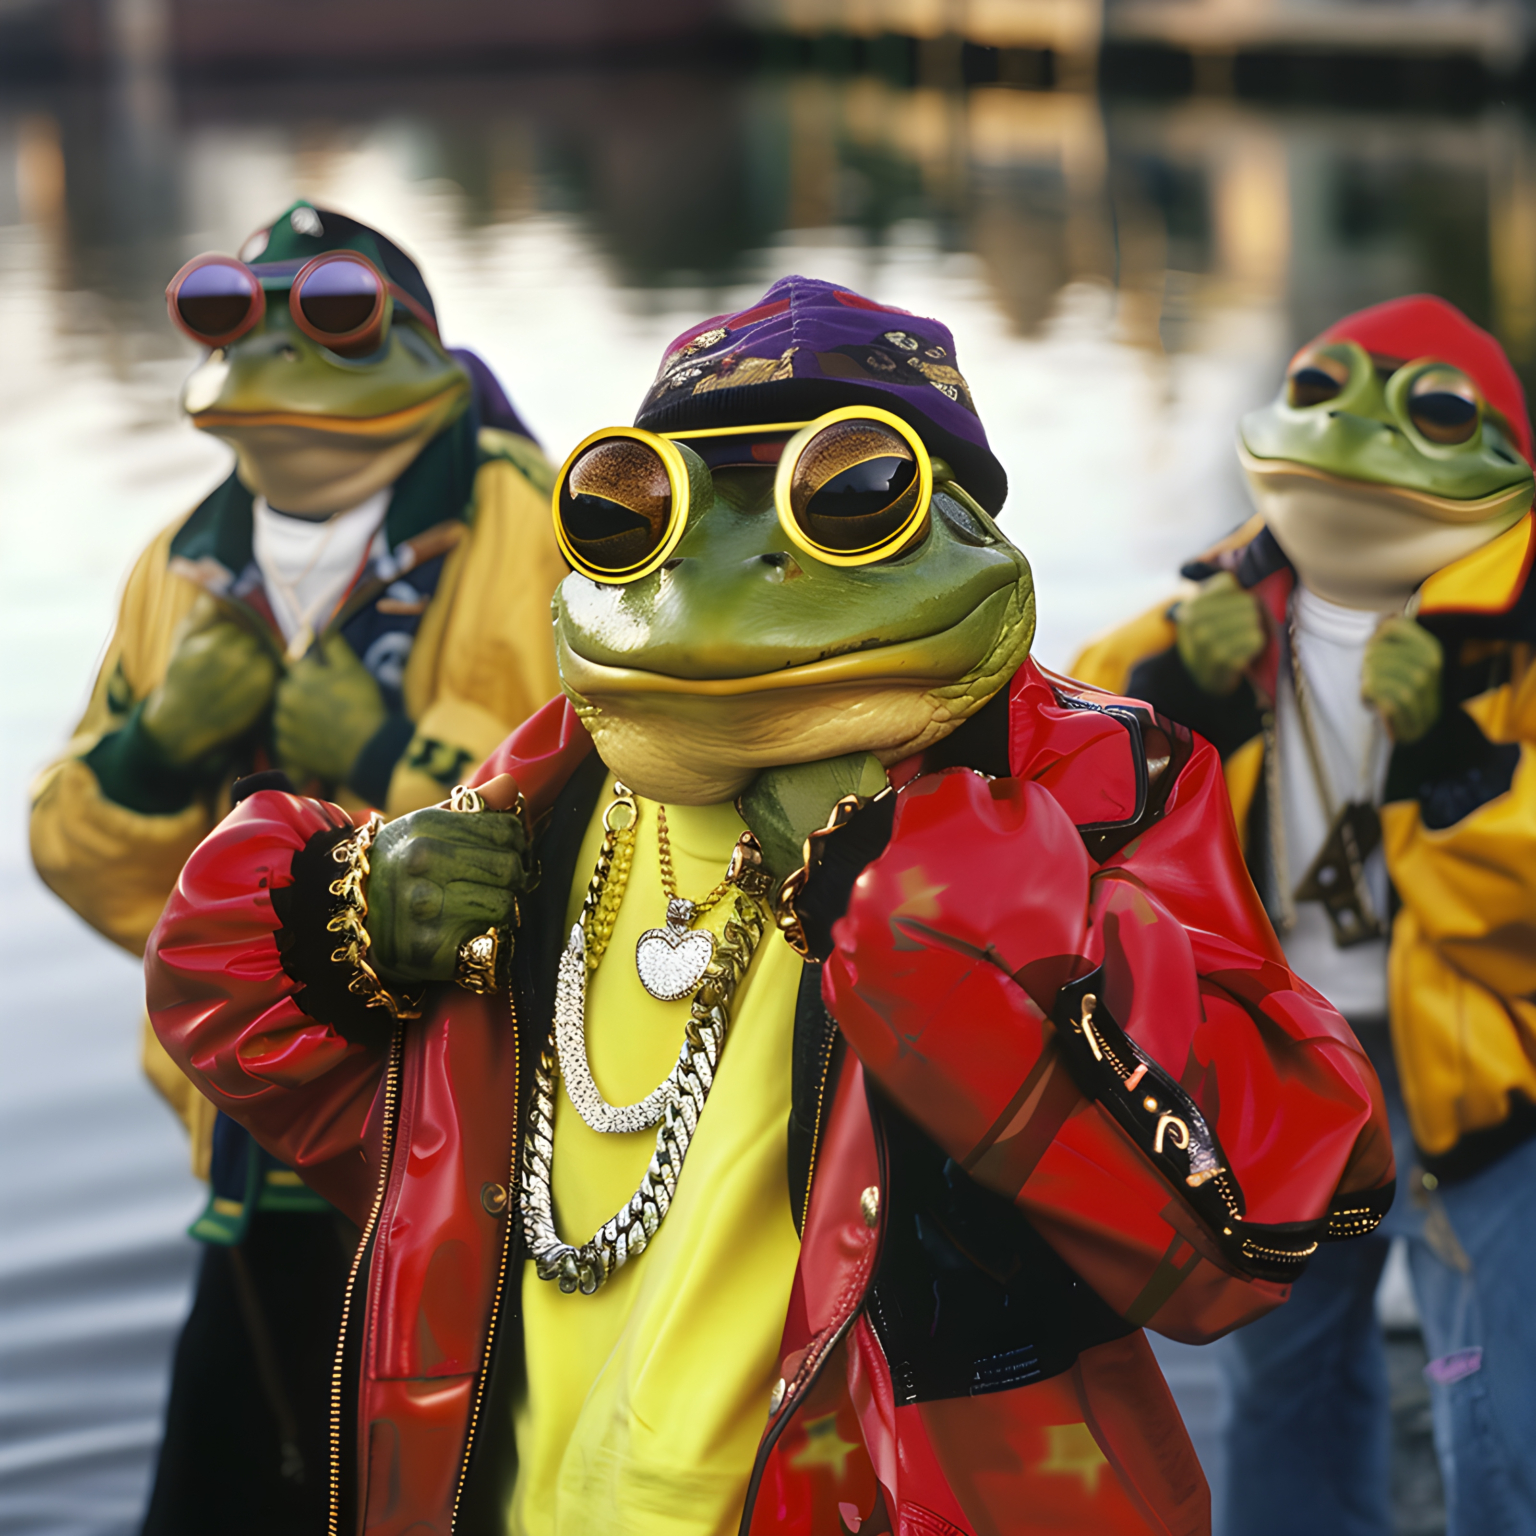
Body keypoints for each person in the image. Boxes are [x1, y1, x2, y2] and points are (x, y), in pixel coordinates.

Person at [146, 275, 1392, 1535]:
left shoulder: (1098, 780)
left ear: (960, 513)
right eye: (635, 505)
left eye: (849, 493)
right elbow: (288, 1066)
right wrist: (353, 917)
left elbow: (1279, 1188)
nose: (738, 560)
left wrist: (930, 896)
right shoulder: (550, 779)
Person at [29, 200, 567, 1535]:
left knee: (468, 1478)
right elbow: (78, 851)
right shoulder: (183, 565)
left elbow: (607, 822)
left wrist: (387, 748)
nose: (273, 350)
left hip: (481, 1133)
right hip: (253, 1131)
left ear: (422, 347)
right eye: (226, 310)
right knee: (226, 1481)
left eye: (334, 314)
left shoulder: (550, 529)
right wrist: (158, 753)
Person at [1072, 294, 1536, 1536]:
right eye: (1324, 393)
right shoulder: (1190, 628)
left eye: (1433, 412)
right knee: (1284, 1383)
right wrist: (1181, 706)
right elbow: (1059, 830)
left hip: (1484, 1081)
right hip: (1283, 1064)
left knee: (1497, 1395)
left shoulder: (1518, 646)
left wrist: (1453, 763)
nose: (1359, 431)